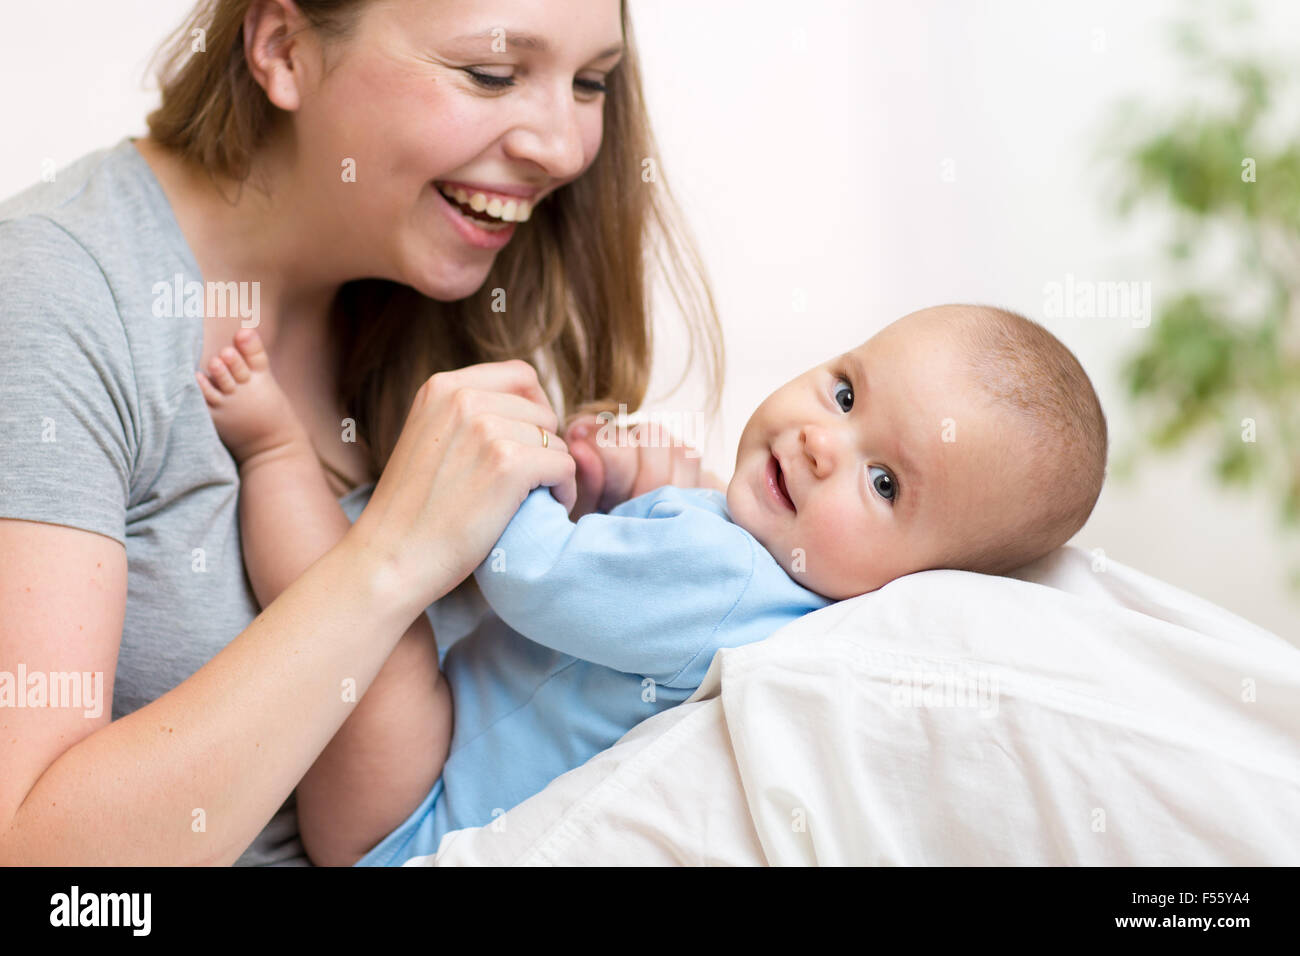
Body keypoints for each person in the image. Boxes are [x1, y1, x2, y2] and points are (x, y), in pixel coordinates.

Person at [0, 0, 722, 865]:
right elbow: (38, 869)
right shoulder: (50, 297)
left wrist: (617, 559)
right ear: (285, 49)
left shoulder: (425, 293)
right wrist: (388, 558)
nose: (564, 149)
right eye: (491, 74)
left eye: (591, 82)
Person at [196, 303, 1107, 865]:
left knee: (374, 626)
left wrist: (519, 471)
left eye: (884, 484)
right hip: (434, 779)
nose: (824, 444)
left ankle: (271, 450)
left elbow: (529, 576)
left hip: (409, 818)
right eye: (844, 393)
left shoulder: (719, 576)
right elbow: (633, 586)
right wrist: (629, 492)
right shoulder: (765, 579)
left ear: (921, 582)